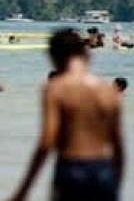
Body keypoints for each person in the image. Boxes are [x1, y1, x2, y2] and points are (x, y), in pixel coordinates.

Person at [9, 29, 124, 201]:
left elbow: (46, 141)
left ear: (54, 57)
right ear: (85, 53)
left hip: (72, 170)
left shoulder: (56, 88)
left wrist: (22, 191)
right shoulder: (107, 91)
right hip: (104, 170)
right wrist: (115, 185)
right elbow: (119, 147)